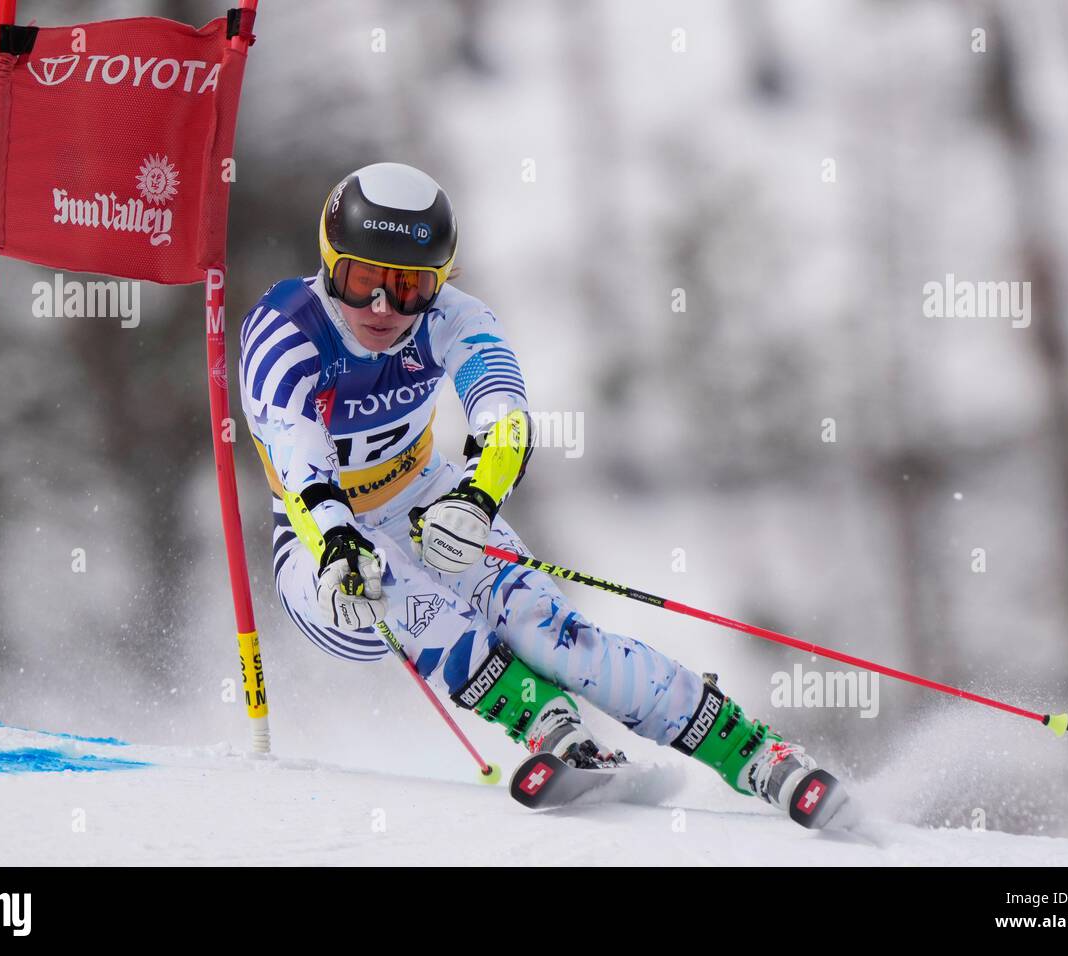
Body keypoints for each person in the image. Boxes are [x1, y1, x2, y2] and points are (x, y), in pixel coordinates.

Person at [239, 161, 832, 819]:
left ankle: (757, 756)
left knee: (546, 632)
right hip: (319, 550)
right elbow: (300, 463)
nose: (382, 308)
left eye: (408, 287)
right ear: (329, 266)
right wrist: (339, 545)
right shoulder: (285, 330)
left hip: (423, 499)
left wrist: (475, 499)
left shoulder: (457, 321)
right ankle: (548, 722)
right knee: (410, 603)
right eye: (363, 281)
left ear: (440, 283)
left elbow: (506, 420)